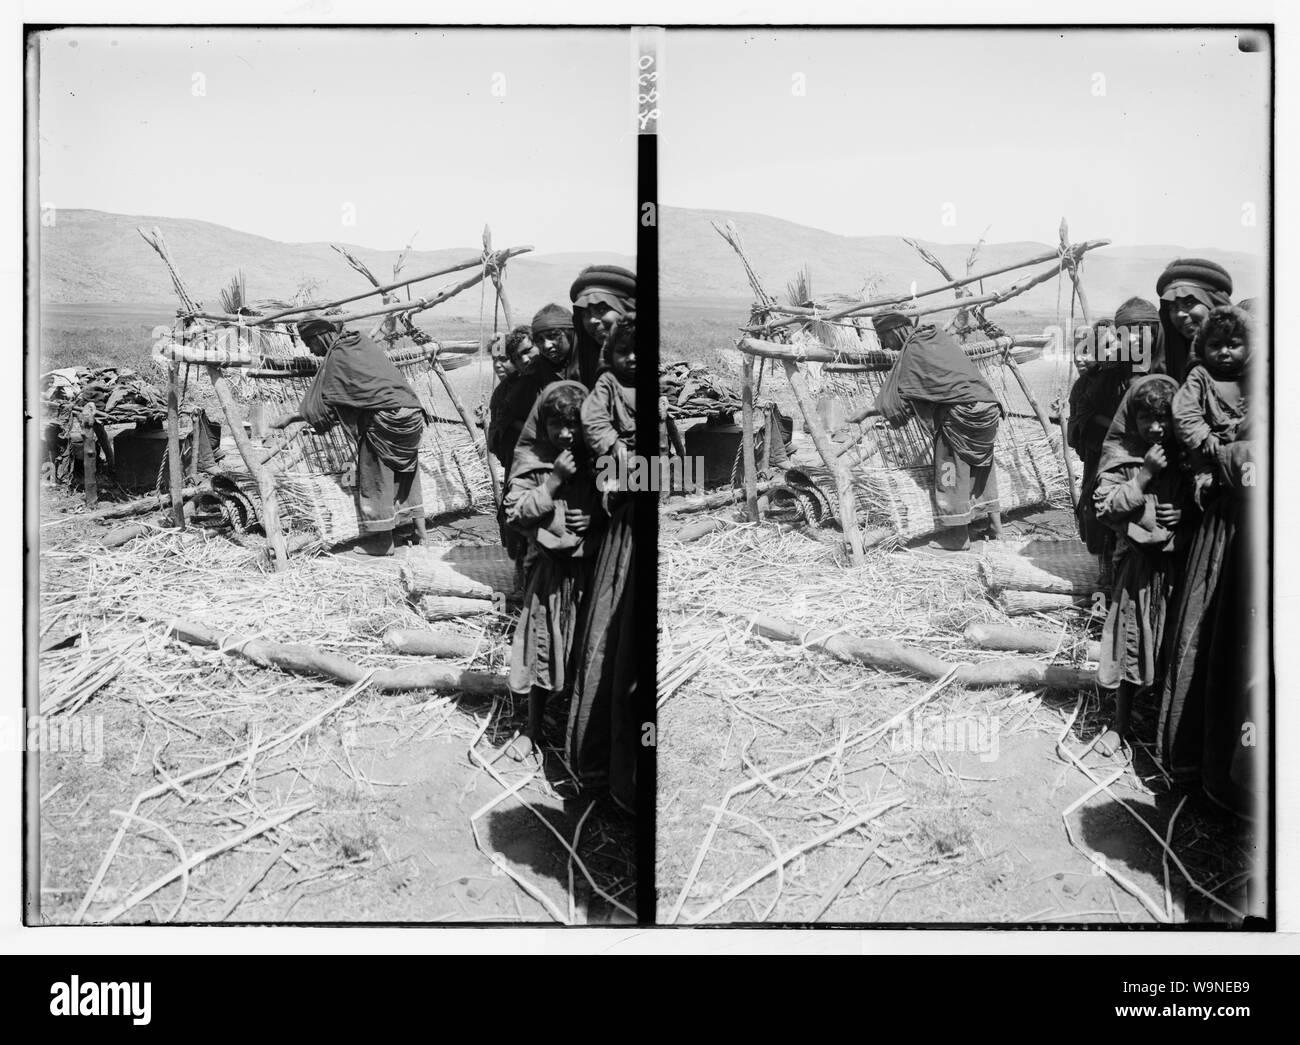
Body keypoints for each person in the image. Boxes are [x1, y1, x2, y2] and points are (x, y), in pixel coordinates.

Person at [1158, 305, 1257, 817]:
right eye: (1215, 345)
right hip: (1219, 502)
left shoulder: (1261, 383)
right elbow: (1184, 418)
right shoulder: (1198, 379)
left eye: (1233, 346)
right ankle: (1193, 762)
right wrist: (1216, 452)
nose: (1224, 353)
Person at [1091, 375, 1192, 757]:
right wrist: (1145, 475)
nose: (1154, 427)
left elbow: (1204, 503)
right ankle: (1120, 724)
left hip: (1176, 565)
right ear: (1130, 418)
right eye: (1145, 418)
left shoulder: (1184, 455)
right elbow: (1106, 508)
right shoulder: (1122, 458)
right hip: (1135, 568)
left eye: (1163, 418)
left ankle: (1166, 722)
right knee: (1128, 640)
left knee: (1171, 640)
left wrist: (1183, 516)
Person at [504, 381, 602, 763]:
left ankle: (576, 725)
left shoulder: (597, 460)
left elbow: (616, 504)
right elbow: (515, 513)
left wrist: (594, 519)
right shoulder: (533, 463)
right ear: (541, 425)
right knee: (541, 647)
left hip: (588, 571)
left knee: (583, 646)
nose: (564, 434)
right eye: (555, 425)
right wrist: (554, 481)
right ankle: (532, 727)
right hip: (548, 574)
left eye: (573, 425)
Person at [271, 317, 427, 556]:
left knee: (375, 475)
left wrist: (293, 417)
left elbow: (327, 405)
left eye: (309, 343)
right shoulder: (361, 343)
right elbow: (364, 388)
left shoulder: (338, 357)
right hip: (412, 413)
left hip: (386, 419)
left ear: (318, 337)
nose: (310, 350)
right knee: (407, 471)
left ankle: (383, 543)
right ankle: (421, 533)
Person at [567, 314, 638, 813]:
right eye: (621, 352)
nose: (630, 359)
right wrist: (621, 457)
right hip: (627, 504)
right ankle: (603, 768)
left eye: (638, 351)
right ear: (609, 357)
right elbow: (594, 427)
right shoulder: (607, 387)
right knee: (617, 631)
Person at [871, 311, 1003, 550]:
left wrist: (868, 412)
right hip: (988, 408)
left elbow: (904, 397)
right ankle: (996, 528)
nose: (885, 345)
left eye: (883, 338)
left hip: (961, 415)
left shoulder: (913, 350)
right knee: (982, 466)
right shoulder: (938, 338)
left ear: (893, 331)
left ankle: (959, 538)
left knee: (950, 470)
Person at [1068, 298, 1160, 555]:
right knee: (1101, 506)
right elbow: (1085, 412)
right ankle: (1106, 564)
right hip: (1107, 450)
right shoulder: (1102, 377)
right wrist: (1117, 427)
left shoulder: (1152, 365)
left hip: (1146, 448)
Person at [1154, 258, 1233, 382]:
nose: (1180, 314)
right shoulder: (1167, 364)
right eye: (1173, 307)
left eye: (1189, 303)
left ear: (1213, 304)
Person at [569, 265, 636, 387]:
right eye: (585, 314)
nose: (592, 320)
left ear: (625, 309)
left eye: (602, 309)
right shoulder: (582, 368)